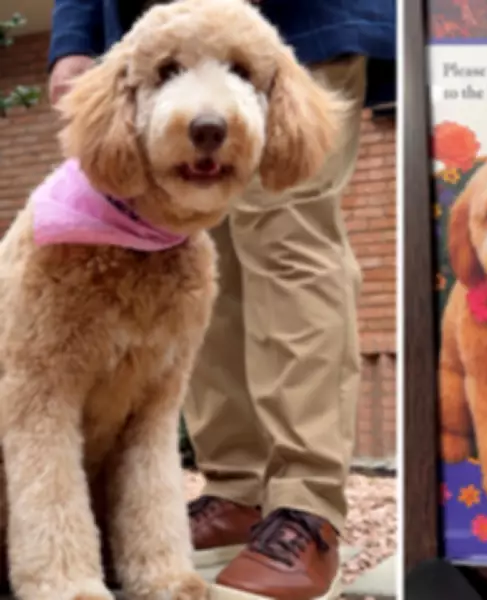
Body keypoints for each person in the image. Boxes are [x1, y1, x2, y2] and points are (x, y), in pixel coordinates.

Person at [48, 0, 396, 598]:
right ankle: (236, 489)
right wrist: (74, 34)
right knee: (198, 251)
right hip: (163, 35)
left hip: (294, 27)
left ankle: (307, 507)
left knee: (288, 238)